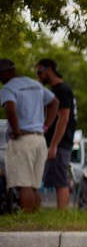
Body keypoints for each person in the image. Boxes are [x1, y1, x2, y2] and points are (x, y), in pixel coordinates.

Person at [0, 59, 58, 213]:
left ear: (8, 72)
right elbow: (54, 103)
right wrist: (45, 126)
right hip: (39, 140)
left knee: (23, 184)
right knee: (33, 186)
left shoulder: (8, 88)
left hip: (22, 140)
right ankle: (34, 219)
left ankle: (26, 219)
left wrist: (16, 129)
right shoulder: (34, 83)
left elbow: (10, 109)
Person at [36, 59, 76, 209]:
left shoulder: (62, 90)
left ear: (49, 70)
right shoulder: (54, 90)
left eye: (40, 72)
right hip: (55, 142)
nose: (38, 77)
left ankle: (62, 214)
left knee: (60, 181)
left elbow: (64, 118)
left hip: (60, 142)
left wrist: (54, 145)